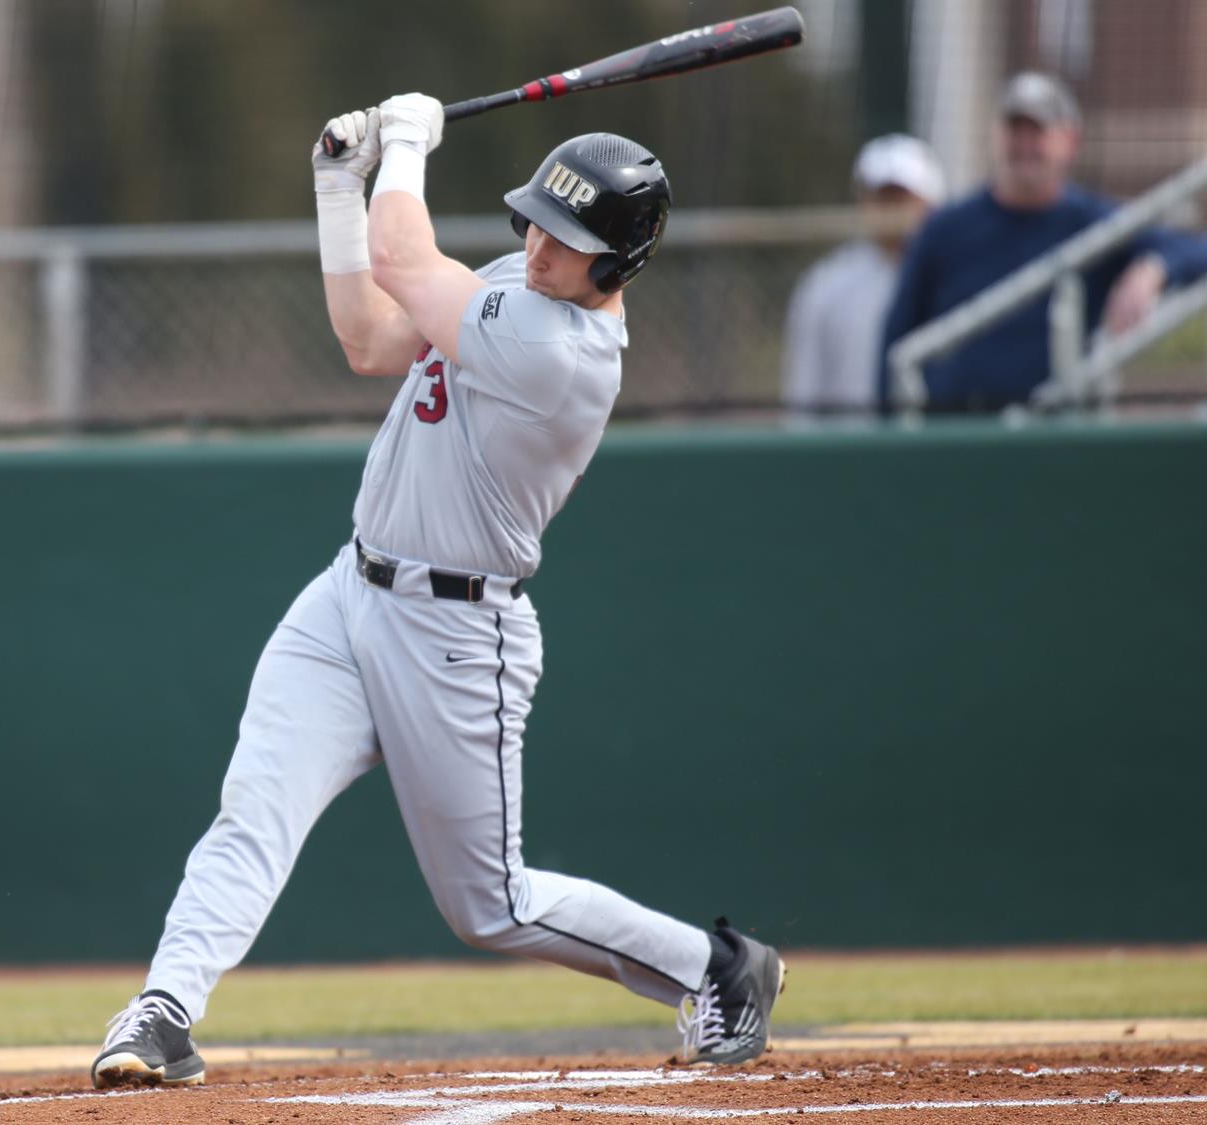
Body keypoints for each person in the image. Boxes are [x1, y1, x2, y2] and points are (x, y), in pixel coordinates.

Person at [88, 95, 784, 1090]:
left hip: (458, 631)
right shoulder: (517, 285)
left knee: (488, 907)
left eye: (572, 238)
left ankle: (713, 969)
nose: (543, 245)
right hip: (348, 592)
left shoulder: (563, 353)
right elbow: (370, 339)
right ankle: (162, 1008)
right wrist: (338, 188)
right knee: (253, 807)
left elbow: (405, 264)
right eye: (541, 220)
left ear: (619, 264)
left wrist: (404, 145)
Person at [877, 72, 1207, 413]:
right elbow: (897, 333)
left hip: (1050, 433)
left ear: (1070, 140)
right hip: (955, 435)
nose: (1024, 145)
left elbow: (1195, 250)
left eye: (1037, 132)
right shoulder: (945, 227)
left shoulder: (1092, 223)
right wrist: (885, 434)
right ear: (995, 136)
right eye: (1014, 130)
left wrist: (1155, 266)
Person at [782, 134, 944, 416]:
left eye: (900, 197)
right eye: (881, 197)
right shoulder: (825, 286)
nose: (891, 209)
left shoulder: (953, 281)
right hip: (849, 450)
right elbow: (803, 400)